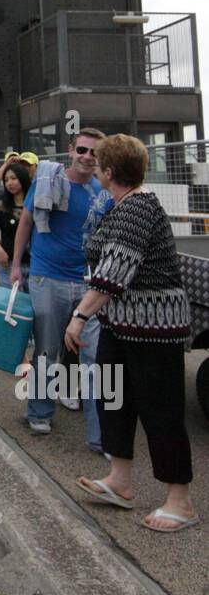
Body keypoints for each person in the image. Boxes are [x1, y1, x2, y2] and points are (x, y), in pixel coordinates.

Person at [64, 135, 198, 533]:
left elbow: (113, 273)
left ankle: (181, 501)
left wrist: (78, 316)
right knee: (112, 399)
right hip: (121, 326)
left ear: (108, 172)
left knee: (161, 411)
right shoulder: (118, 207)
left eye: (99, 163)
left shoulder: (137, 209)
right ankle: (120, 481)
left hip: (155, 330)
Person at [11, 129, 112, 448]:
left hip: (87, 282)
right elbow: (26, 221)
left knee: (95, 357)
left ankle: (101, 436)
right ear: (71, 150)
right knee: (47, 350)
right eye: (82, 149)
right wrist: (16, 265)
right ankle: (39, 412)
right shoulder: (47, 183)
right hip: (47, 277)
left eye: (94, 153)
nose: (87, 156)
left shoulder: (101, 191)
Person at [0, 160, 32, 290]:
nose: (9, 183)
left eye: (14, 178)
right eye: (6, 180)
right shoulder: (1, 207)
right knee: (11, 305)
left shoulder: (35, 206)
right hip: (8, 264)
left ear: (23, 179)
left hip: (35, 264)